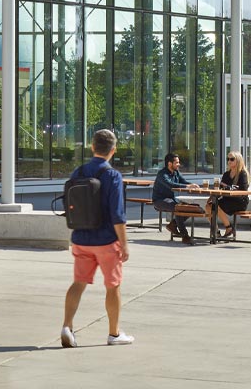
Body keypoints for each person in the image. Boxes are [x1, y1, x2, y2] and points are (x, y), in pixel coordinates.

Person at [60, 129, 133, 348]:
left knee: (79, 283)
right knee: (113, 286)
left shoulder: (78, 171)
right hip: (106, 241)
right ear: (114, 150)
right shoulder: (112, 176)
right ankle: (114, 333)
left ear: (92, 147)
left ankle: (67, 326)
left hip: (81, 238)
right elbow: (117, 215)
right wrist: (125, 244)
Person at [151, 151, 195, 244]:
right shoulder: (162, 174)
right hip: (159, 201)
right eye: (176, 162)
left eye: (178, 162)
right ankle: (185, 236)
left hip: (171, 200)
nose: (179, 164)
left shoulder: (176, 172)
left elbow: (183, 181)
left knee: (192, 208)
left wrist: (192, 185)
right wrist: (187, 187)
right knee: (179, 208)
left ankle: (173, 224)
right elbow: (171, 185)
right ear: (169, 163)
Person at [212, 151, 250, 239]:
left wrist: (227, 187)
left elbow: (243, 190)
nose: (229, 161)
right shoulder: (226, 174)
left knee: (215, 205)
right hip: (227, 199)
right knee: (208, 206)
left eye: (232, 159)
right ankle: (216, 231)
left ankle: (228, 228)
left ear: (238, 160)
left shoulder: (242, 174)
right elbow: (221, 188)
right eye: (228, 159)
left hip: (239, 201)